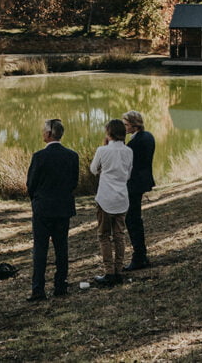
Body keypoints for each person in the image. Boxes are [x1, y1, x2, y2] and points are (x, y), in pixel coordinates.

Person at [26, 118, 79, 302]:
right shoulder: (72, 156)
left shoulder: (39, 156)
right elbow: (74, 182)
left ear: (49, 134)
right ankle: (60, 285)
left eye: (43, 130)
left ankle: (38, 289)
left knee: (40, 249)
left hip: (43, 209)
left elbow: (30, 184)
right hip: (63, 208)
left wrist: (37, 200)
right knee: (61, 247)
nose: (42, 133)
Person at [90, 118, 134, 288]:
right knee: (119, 235)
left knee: (104, 236)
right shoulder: (129, 151)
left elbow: (94, 169)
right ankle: (119, 270)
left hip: (105, 198)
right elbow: (128, 175)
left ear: (109, 133)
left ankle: (109, 272)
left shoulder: (102, 150)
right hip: (122, 197)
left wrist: (104, 169)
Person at [122, 110, 156, 271]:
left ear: (134, 125)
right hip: (143, 181)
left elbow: (128, 164)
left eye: (126, 124)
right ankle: (141, 255)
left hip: (134, 184)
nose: (124, 127)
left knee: (132, 219)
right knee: (134, 218)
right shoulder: (148, 136)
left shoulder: (134, 144)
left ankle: (139, 256)